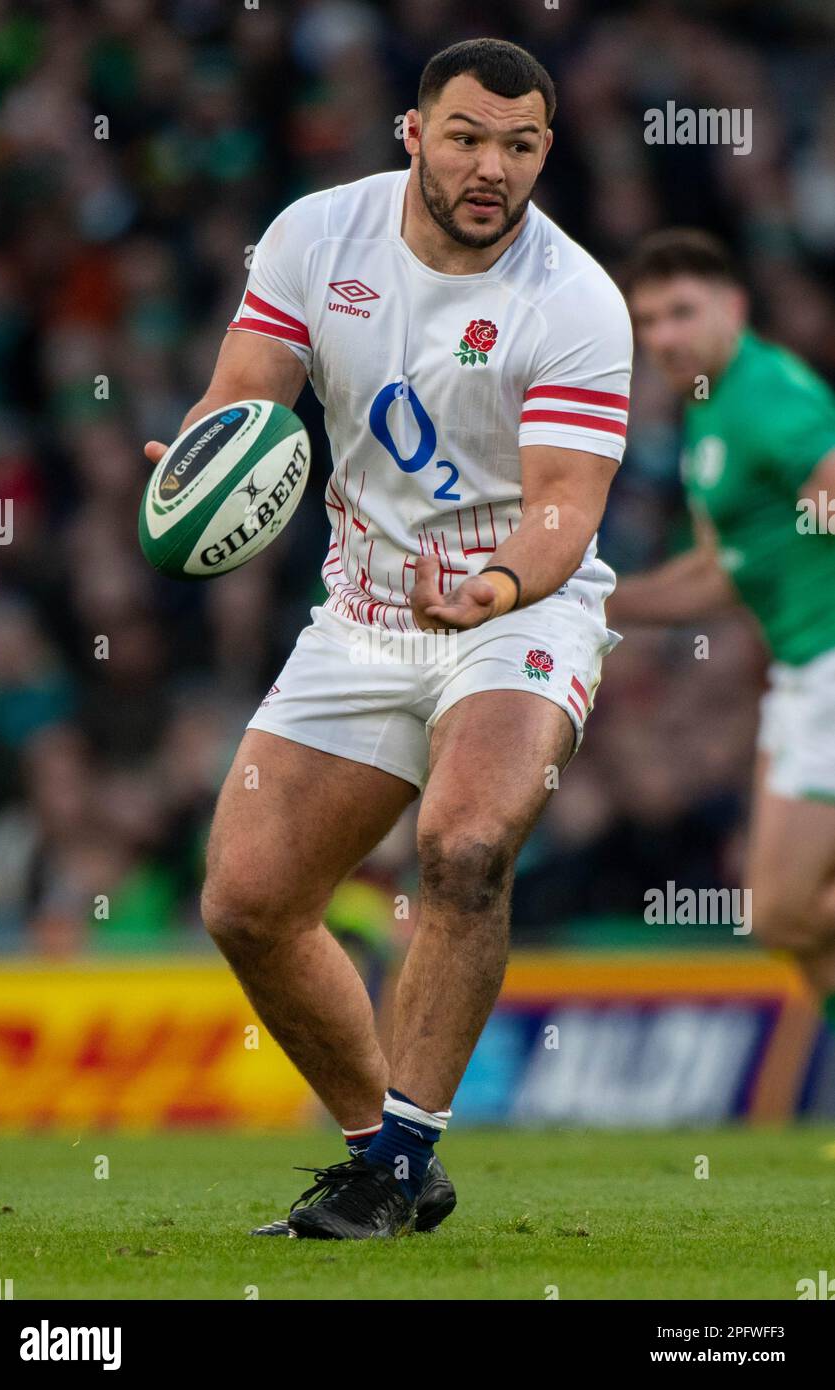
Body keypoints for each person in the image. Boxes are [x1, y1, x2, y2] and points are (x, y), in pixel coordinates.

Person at [145, 37, 632, 1239]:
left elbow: (567, 504)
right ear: (413, 134)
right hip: (361, 612)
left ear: (544, 154)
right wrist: (204, 454)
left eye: (519, 147)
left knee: (465, 848)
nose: (490, 168)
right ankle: (389, 1156)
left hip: (518, 610)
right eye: (465, 136)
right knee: (249, 901)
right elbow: (249, 385)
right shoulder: (317, 235)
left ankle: (403, 1157)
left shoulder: (574, 299)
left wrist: (498, 582)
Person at [615, 227, 835, 1036]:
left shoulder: (766, 400)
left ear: (733, 308)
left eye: (680, 312)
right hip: (800, 673)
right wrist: (588, 599)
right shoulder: (708, 417)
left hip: (828, 664)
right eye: (647, 321)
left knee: (782, 908)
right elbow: (715, 575)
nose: (663, 336)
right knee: (784, 920)